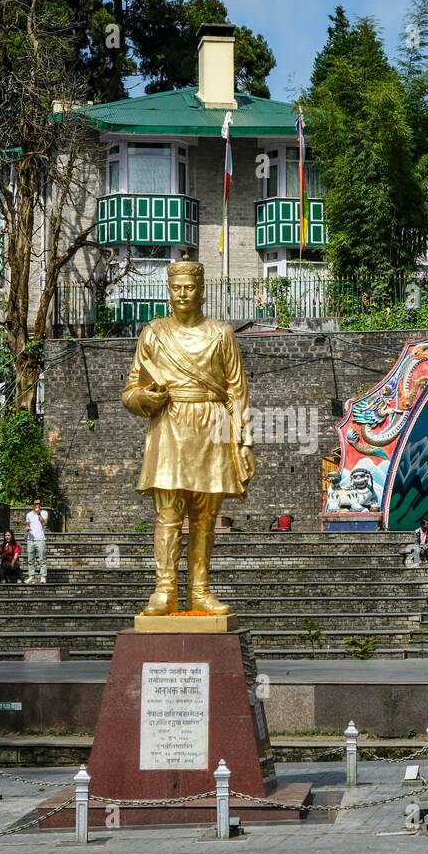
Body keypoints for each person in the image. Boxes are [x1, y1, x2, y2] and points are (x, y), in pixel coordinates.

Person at [119, 256, 255, 615]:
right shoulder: (153, 333)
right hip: (168, 424)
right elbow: (130, 389)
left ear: (202, 291)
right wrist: (144, 398)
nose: (183, 294)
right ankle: (164, 589)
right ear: (168, 291)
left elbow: (238, 392)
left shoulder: (221, 333)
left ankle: (200, 590)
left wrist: (242, 441)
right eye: (177, 288)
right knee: (167, 513)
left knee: (205, 516)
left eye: (190, 287)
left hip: (211, 424)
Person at [24, 499, 48, 584]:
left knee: (42, 559)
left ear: (41, 504)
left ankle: (43, 577)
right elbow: (27, 524)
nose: (37, 505)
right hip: (30, 539)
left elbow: (44, 522)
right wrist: (27, 528)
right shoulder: (29, 514)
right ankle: (31, 576)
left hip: (40, 539)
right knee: (30, 560)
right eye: (35, 504)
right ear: (33, 505)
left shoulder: (44, 513)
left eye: (39, 504)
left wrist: (39, 514)